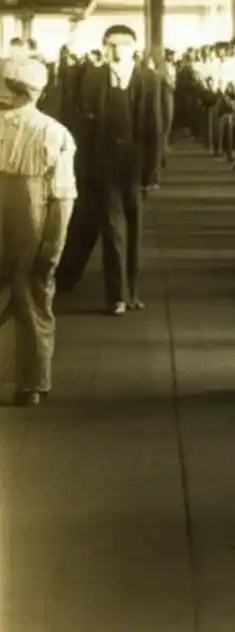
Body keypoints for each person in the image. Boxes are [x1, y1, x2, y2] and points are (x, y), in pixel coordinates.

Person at [59, 24, 164, 316]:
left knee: (134, 230)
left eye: (124, 44)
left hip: (134, 166)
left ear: (135, 48)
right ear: (104, 47)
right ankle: (116, 296)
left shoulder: (148, 80)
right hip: (102, 165)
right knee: (113, 229)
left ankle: (131, 292)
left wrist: (152, 171)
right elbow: (81, 124)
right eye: (112, 44)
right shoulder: (92, 78)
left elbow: (156, 127)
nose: (118, 50)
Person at [0, 56, 77, 406]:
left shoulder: (52, 133)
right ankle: (32, 383)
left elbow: (62, 195)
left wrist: (51, 248)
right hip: (28, 214)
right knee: (33, 297)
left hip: (29, 216)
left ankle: (33, 381)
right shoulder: (54, 130)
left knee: (31, 295)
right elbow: (63, 196)